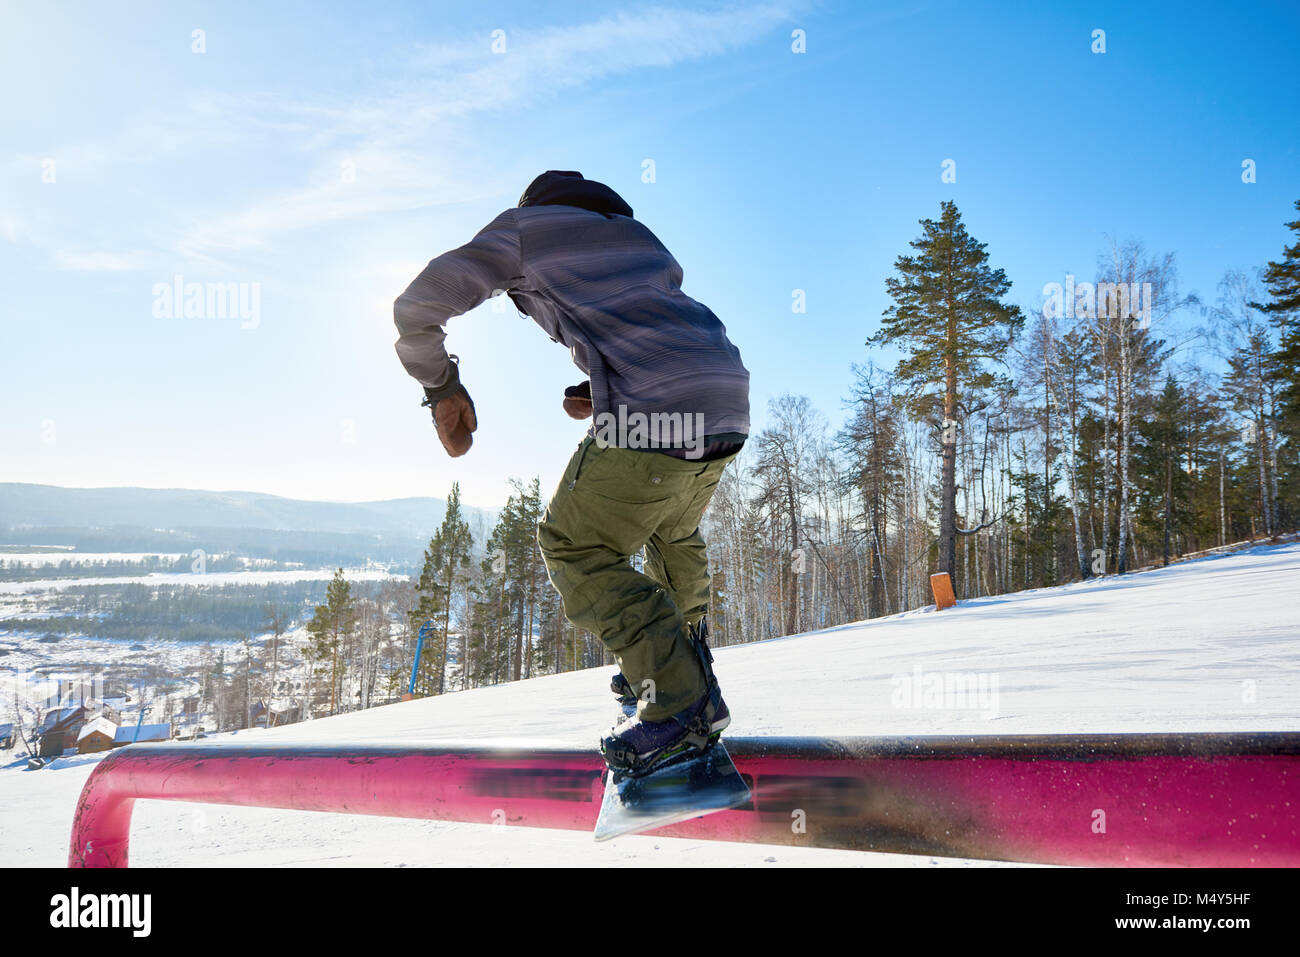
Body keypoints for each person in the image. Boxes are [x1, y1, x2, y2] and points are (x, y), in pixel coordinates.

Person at [393, 170, 749, 775]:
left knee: (574, 545)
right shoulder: (641, 239)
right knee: (674, 534)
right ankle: (686, 672)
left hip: (655, 410)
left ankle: (678, 702)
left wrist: (441, 384)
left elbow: (417, 306)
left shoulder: (526, 228)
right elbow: (655, 327)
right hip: (724, 400)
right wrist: (606, 385)